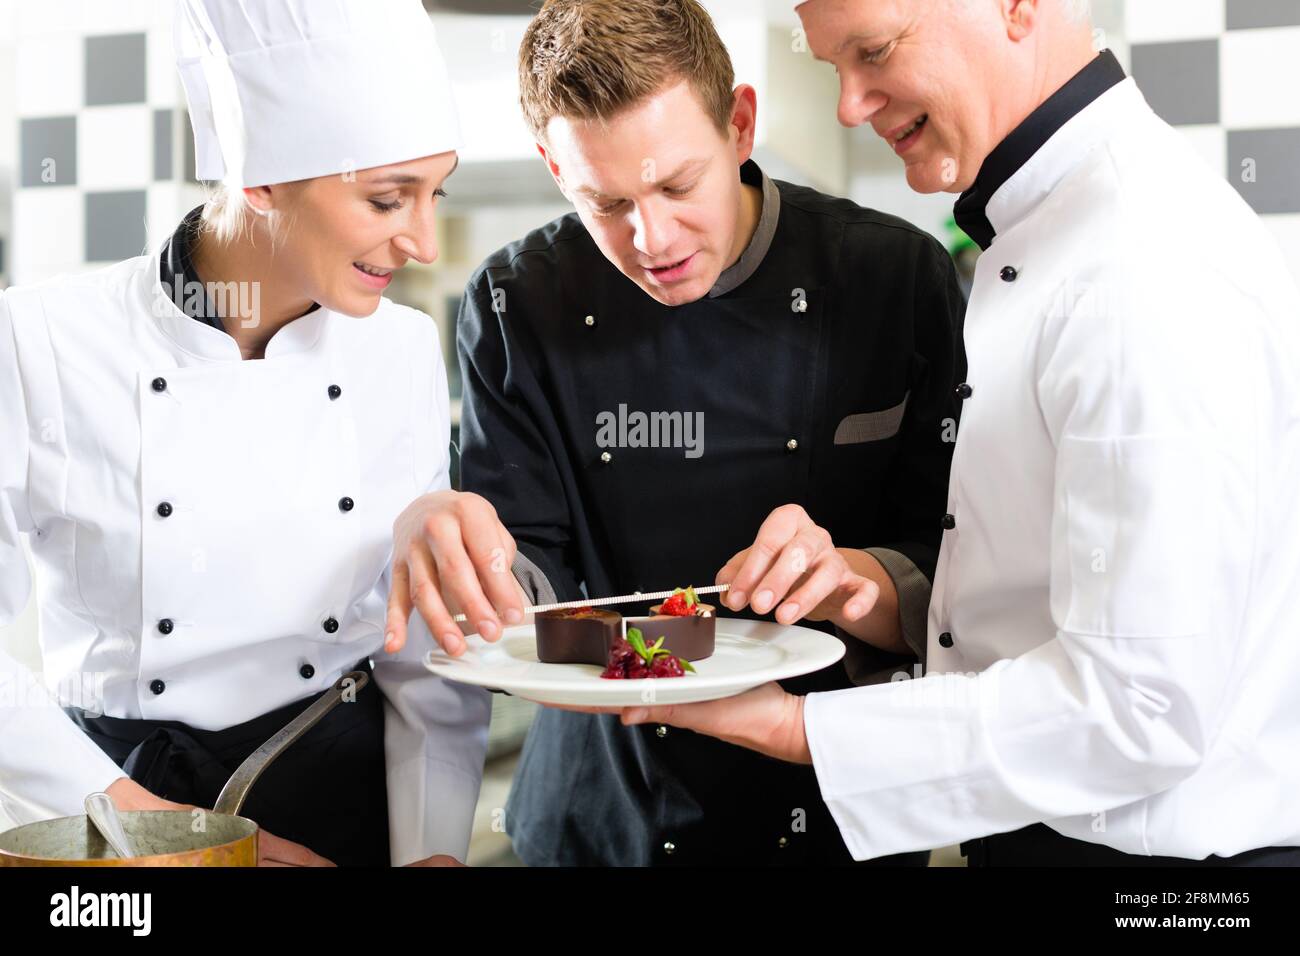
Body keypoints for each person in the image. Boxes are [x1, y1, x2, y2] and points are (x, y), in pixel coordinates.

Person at [594, 0, 1300, 867]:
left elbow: (1138, 710)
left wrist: (797, 727)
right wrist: (878, 593)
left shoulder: (1138, 266)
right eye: (830, 66)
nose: (850, 104)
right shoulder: (1049, 230)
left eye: (875, 50)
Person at [389, 0, 966, 866]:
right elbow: (527, 582)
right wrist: (474, 561)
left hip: (837, 810)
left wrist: (855, 579)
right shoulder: (519, 303)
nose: (650, 239)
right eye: (606, 201)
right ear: (554, 166)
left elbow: (957, 574)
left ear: (740, 124)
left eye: (676, 186)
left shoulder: (893, 277)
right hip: (596, 819)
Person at [0, 0, 523, 867]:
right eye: (388, 198)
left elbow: (420, 652)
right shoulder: (40, 341)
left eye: (438, 193)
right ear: (260, 178)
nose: (424, 242)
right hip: (113, 811)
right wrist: (155, 833)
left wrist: (436, 849)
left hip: (338, 798)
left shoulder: (400, 346)